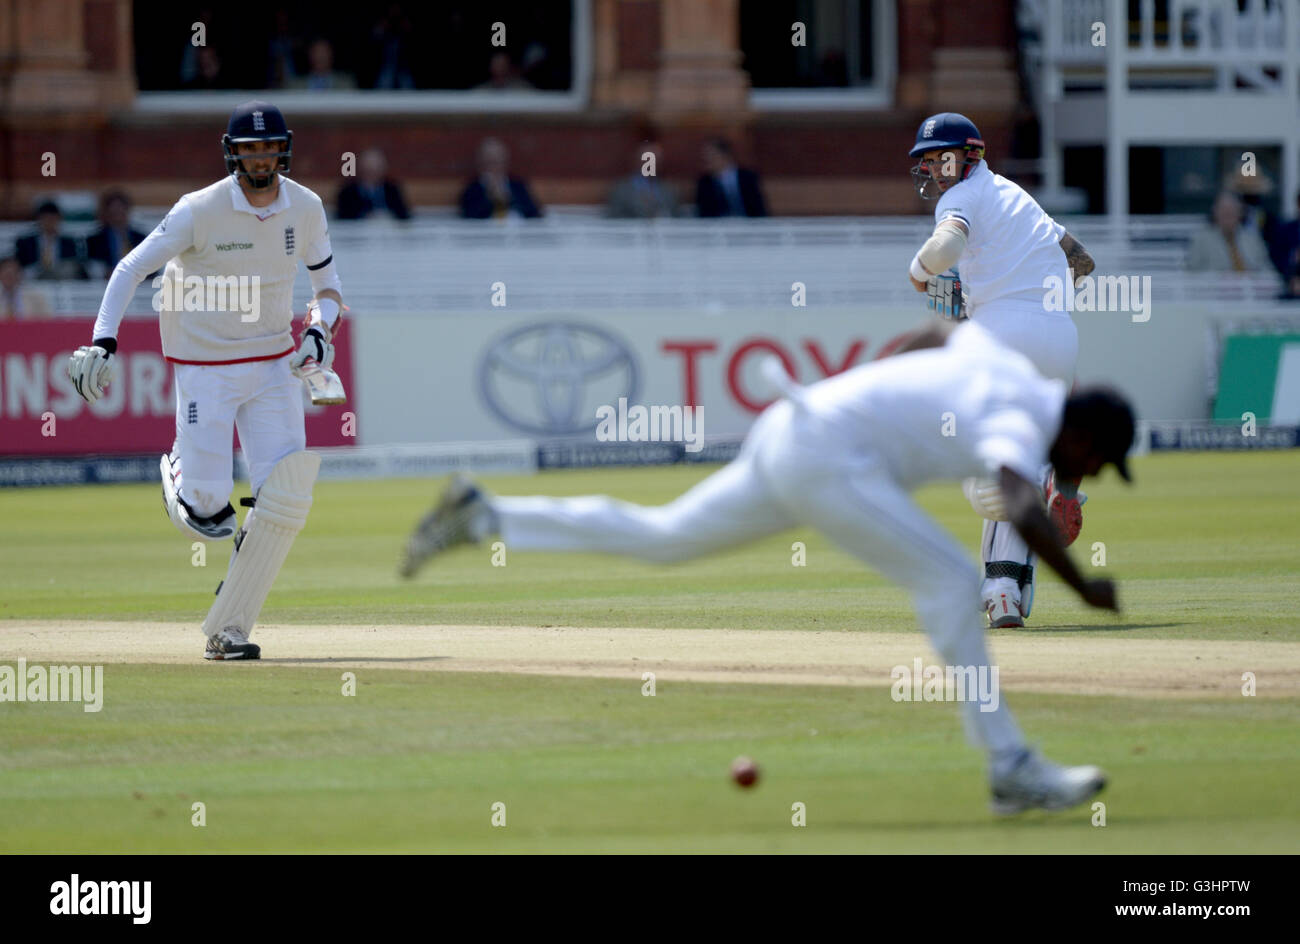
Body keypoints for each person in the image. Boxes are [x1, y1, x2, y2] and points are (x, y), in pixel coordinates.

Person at [399, 320, 1135, 816]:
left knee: (665, 536)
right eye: (1099, 463)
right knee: (949, 580)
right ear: (1082, 432)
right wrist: (1082, 586)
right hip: (829, 456)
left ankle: (486, 514)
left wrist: (863, 391)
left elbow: (938, 334)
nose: (1094, 476)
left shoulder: (999, 360)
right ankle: (1010, 767)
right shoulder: (1022, 419)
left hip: (797, 423)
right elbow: (1016, 499)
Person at [67, 101, 345, 662]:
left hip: (273, 364)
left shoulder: (307, 208)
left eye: (269, 148)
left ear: (283, 150)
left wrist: (319, 331)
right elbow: (131, 268)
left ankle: (230, 630)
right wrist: (103, 338)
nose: (261, 159)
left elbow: (329, 290)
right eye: (250, 149)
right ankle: (177, 473)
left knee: (286, 498)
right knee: (210, 509)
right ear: (232, 153)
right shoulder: (200, 209)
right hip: (206, 367)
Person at [906, 111, 1098, 629]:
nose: (934, 169)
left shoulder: (961, 197)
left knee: (978, 458)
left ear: (971, 154)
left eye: (940, 157)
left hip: (998, 336)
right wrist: (1018, 293)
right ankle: (1007, 585)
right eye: (927, 161)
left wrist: (920, 274)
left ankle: (1033, 499)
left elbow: (948, 242)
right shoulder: (1016, 196)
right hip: (1057, 334)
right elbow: (1082, 262)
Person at [1186, 191, 1273, 272]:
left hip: (1249, 286)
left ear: (1240, 213)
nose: (1228, 215)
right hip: (1214, 286)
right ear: (1215, 212)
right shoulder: (1201, 240)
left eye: (1232, 211)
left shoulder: (1253, 239)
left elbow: (1266, 269)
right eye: (1224, 211)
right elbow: (1192, 271)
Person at [458, 138, 542, 220]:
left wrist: (508, 198)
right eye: (490, 162)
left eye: (498, 162)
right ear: (480, 163)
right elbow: (469, 216)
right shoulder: (472, 189)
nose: (494, 167)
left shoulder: (517, 185)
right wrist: (491, 196)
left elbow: (533, 213)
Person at [606, 142, 679, 219]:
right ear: (637, 160)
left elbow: (676, 215)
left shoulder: (669, 189)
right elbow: (615, 217)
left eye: (656, 159)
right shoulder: (621, 189)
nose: (652, 163)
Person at [695, 139, 767, 218]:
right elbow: (704, 212)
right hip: (717, 227)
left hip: (748, 225)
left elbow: (758, 208)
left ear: (725, 155)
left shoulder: (747, 177)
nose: (708, 161)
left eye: (711, 156)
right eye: (705, 158)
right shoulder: (704, 182)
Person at [16, 201, 86, 280]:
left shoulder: (69, 243)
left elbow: (73, 266)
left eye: (52, 219)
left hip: (61, 281)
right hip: (33, 281)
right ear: (39, 219)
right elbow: (19, 266)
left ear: (59, 219)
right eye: (46, 219)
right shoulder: (25, 243)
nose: (49, 223)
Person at [86, 190, 149, 278]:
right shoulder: (94, 241)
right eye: (114, 211)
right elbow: (91, 267)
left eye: (121, 210)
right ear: (106, 212)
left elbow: (151, 265)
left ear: (127, 211)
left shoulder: (140, 238)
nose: (118, 214)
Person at [337, 149, 411, 220]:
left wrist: (388, 216)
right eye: (368, 169)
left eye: (375, 169)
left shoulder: (392, 190)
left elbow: (404, 216)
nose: (371, 173)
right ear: (361, 169)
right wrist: (364, 217)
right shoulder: (347, 192)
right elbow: (343, 219)